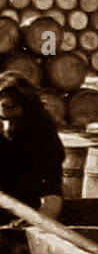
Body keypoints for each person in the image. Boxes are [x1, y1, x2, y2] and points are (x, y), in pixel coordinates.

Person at [0, 71, 64, 212]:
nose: (8, 127)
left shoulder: (42, 132)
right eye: (4, 120)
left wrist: (43, 221)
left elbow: (51, 185)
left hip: (30, 203)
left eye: (14, 120)